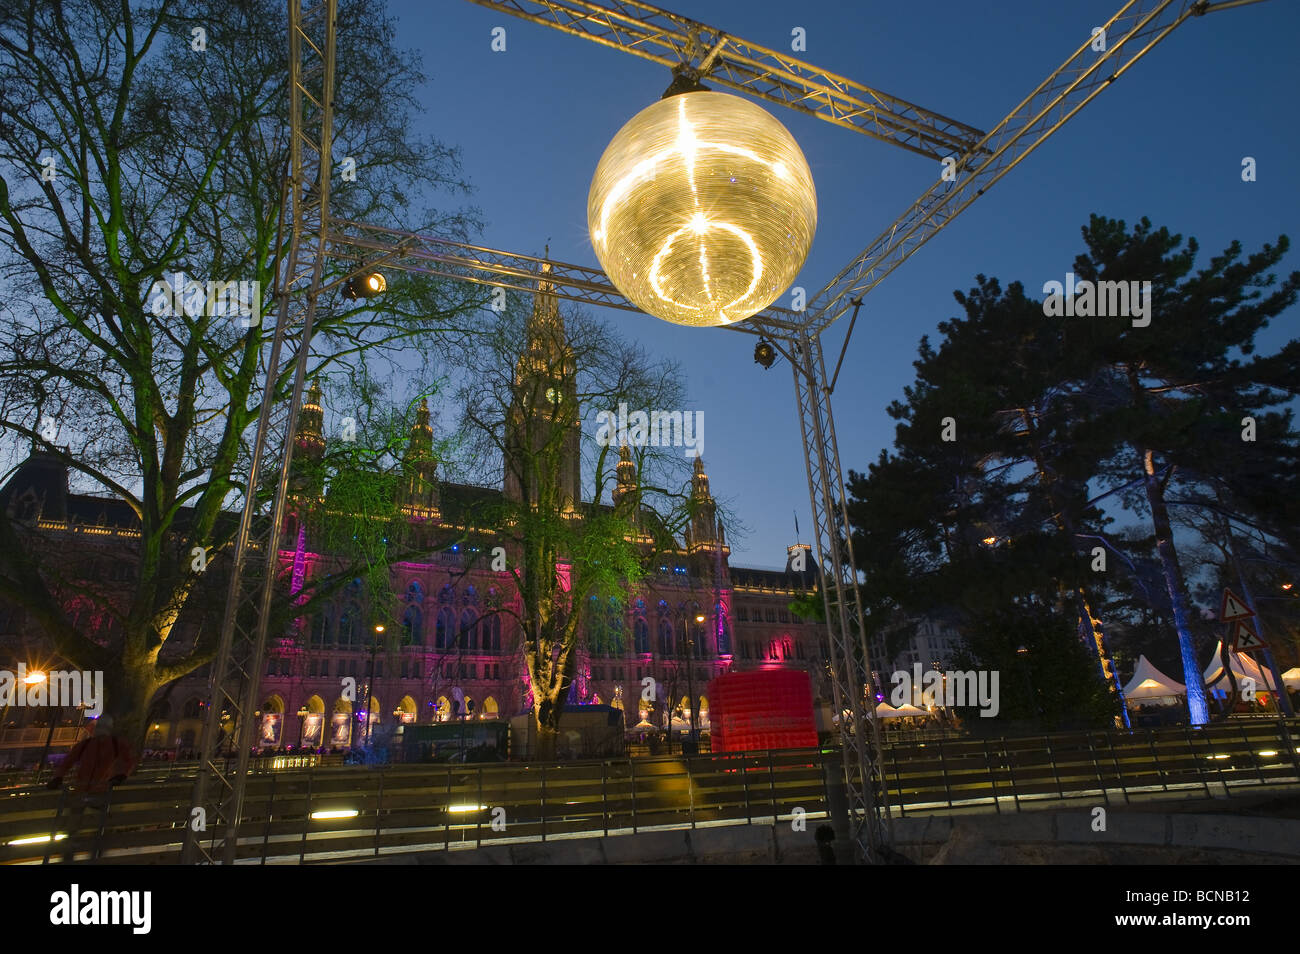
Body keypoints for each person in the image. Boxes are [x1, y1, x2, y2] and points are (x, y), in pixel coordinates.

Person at [47, 716, 137, 862]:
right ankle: (96, 852)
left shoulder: (86, 745)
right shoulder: (115, 744)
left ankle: (71, 853)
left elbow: (67, 762)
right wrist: (121, 775)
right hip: (99, 790)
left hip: (84, 789)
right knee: (101, 823)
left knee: (75, 824)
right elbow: (129, 760)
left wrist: (58, 777)